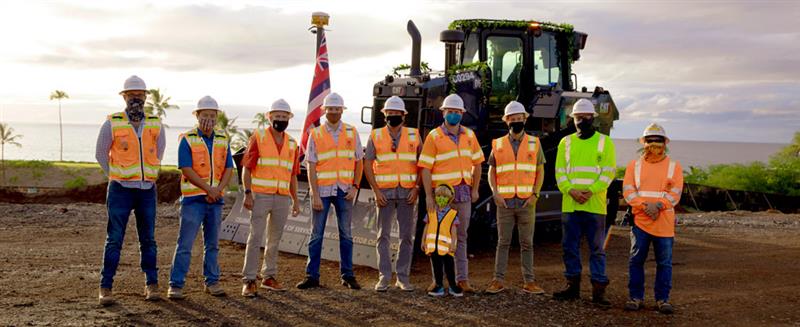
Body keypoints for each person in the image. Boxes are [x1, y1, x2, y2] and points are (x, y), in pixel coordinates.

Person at [95, 75, 166, 305]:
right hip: (120, 191)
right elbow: (100, 154)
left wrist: (148, 175)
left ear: (146, 97)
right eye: (131, 95)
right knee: (114, 239)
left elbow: (159, 152)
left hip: (147, 190)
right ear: (124, 97)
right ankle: (106, 287)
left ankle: (151, 284)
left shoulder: (155, 123)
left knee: (149, 239)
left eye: (140, 94)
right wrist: (116, 176)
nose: (136, 98)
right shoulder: (112, 122)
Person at [167, 96, 234, 299]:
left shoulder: (223, 139)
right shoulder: (187, 138)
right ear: (197, 116)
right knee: (185, 245)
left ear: (217, 117)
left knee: (212, 245)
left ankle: (212, 282)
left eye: (212, 116)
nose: (209, 119)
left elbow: (229, 168)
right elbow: (186, 169)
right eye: (205, 115)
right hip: (193, 200)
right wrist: (208, 189)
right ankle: (176, 285)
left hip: (215, 201)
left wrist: (218, 190)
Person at [552, 98, 616, 307]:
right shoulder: (565, 142)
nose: (582, 120)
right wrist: (571, 191)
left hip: (594, 204)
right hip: (571, 204)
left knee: (597, 249)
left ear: (592, 118)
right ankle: (573, 287)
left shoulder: (604, 142)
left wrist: (589, 191)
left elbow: (608, 172)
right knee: (569, 247)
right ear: (573, 119)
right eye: (578, 117)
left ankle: (598, 291)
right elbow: (560, 172)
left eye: (586, 117)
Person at [418, 94, 484, 293]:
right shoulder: (434, 136)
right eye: (450, 112)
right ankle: (437, 281)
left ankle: (461, 280)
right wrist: (429, 196)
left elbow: (478, 163)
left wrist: (474, 189)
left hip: (464, 193)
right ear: (443, 113)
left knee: (460, 237)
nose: (453, 115)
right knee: (437, 237)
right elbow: (425, 168)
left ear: (462, 114)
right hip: (442, 196)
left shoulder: (469, 136)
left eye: (457, 112)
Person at [297, 92, 364, 290]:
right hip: (322, 192)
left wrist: (355, 186)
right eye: (330, 109)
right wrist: (314, 193)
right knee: (316, 234)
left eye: (337, 109)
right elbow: (310, 165)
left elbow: (359, 161)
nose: (334, 112)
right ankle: (312, 276)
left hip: (344, 190)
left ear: (342, 110)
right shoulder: (315, 133)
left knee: (347, 235)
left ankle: (348, 275)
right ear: (324, 110)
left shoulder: (352, 132)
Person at [240, 99, 302, 297]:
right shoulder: (258, 137)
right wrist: (247, 193)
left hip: (282, 197)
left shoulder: (292, 143)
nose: (281, 119)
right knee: (255, 237)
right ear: (270, 117)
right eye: (277, 116)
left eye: (284, 117)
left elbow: (292, 174)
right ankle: (249, 280)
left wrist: (295, 200)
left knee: (274, 239)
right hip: (260, 196)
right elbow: (246, 168)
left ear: (289, 119)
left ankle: (268, 276)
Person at [622, 123, 683, 314]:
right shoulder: (634, 165)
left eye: (657, 140)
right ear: (644, 143)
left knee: (664, 263)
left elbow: (676, 193)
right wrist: (645, 207)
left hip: (664, 224)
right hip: (640, 222)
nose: (653, 144)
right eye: (650, 140)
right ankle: (635, 298)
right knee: (636, 261)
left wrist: (658, 206)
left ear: (664, 143)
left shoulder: (674, 166)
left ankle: (662, 300)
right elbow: (628, 191)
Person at [485, 101, 546, 294]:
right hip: (505, 201)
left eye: (519, 118)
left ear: (524, 119)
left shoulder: (535, 143)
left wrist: (535, 194)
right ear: (506, 121)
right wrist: (495, 193)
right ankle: (498, 281)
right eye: (512, 119)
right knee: (503, 242)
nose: (516, 121)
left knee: (527, 243)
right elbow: (491, 172)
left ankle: (529, 282)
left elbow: (540, 170)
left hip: (527, 201)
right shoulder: (498, 144)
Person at [363, 96, 420, 292]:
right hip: (384, 193)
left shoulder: (414, 135)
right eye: (390, 114)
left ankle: (402, 277)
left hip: (407, 193)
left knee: (406, 237)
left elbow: (423, 164)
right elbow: (367, 164)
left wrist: (416, 188)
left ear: (403, 116)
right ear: (384, 115)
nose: (393, 116)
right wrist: (376, 191)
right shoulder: (375, 135)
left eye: (396, 114)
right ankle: (384, 277)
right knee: (383, 236)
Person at [421, 184, 462, 297]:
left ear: (449, 198)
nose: (441, 198)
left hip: (447, 248)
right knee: (437, 268)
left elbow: (454, 231)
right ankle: (439, 286)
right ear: (435, 197)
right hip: (433, 247)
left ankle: (453, 286)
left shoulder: (452, 214)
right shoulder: (431, 212)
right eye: (438, 196)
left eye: (444, 196)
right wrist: (423, 241)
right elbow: (426, 227)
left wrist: (453, 244)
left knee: (449, 268)